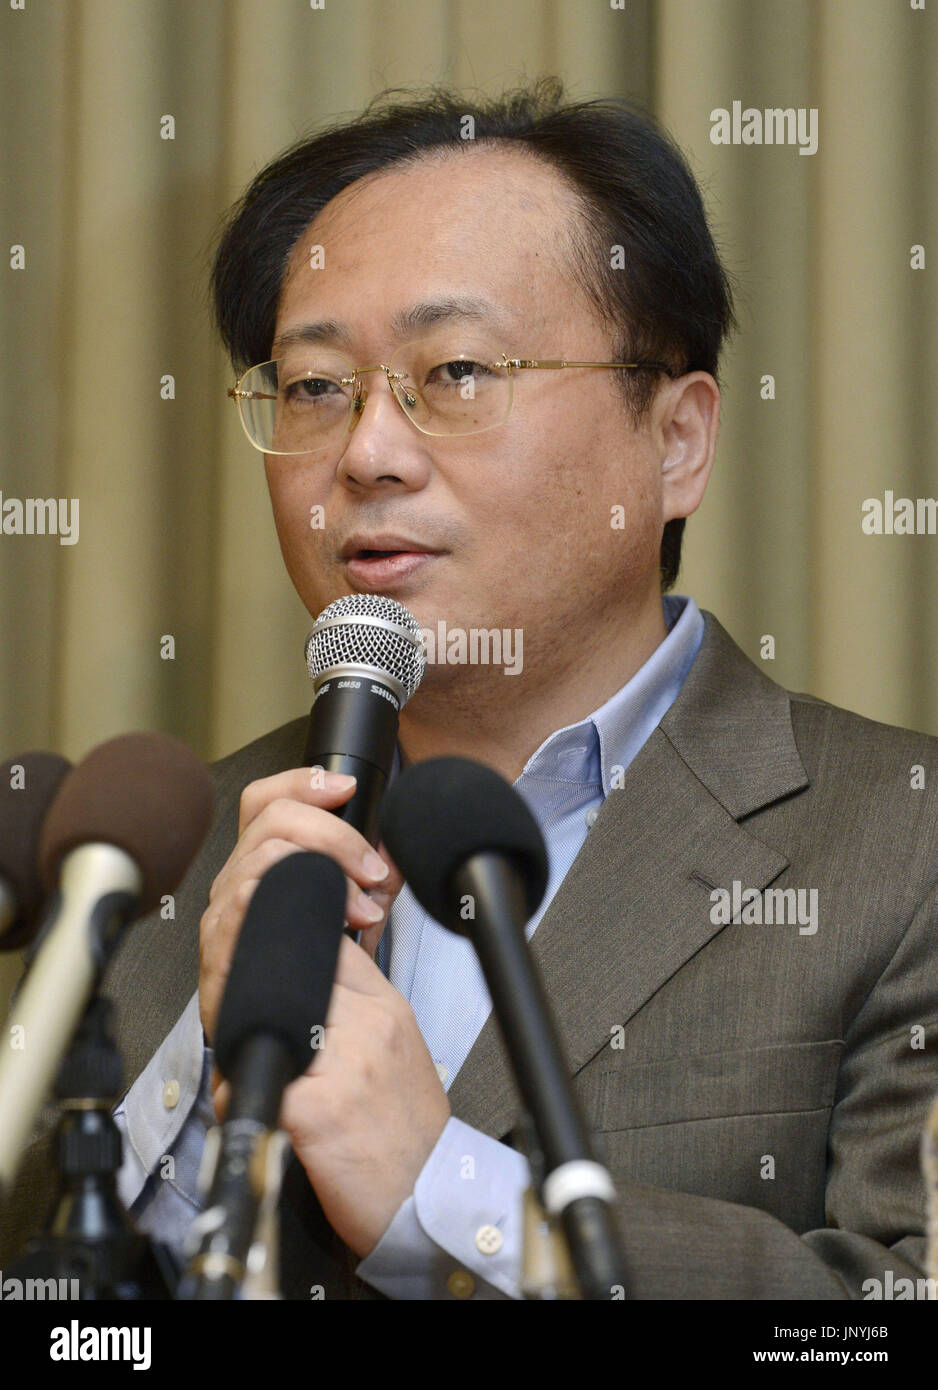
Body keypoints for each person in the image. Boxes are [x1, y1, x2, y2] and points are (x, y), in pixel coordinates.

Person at [3, 78, 936, 1301]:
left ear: (675, 442)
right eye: (313, 386)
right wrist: (192, 1095)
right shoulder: (154, 850)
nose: (366, 453)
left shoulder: (899, 838)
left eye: (452, 371)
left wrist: (436, 1192)